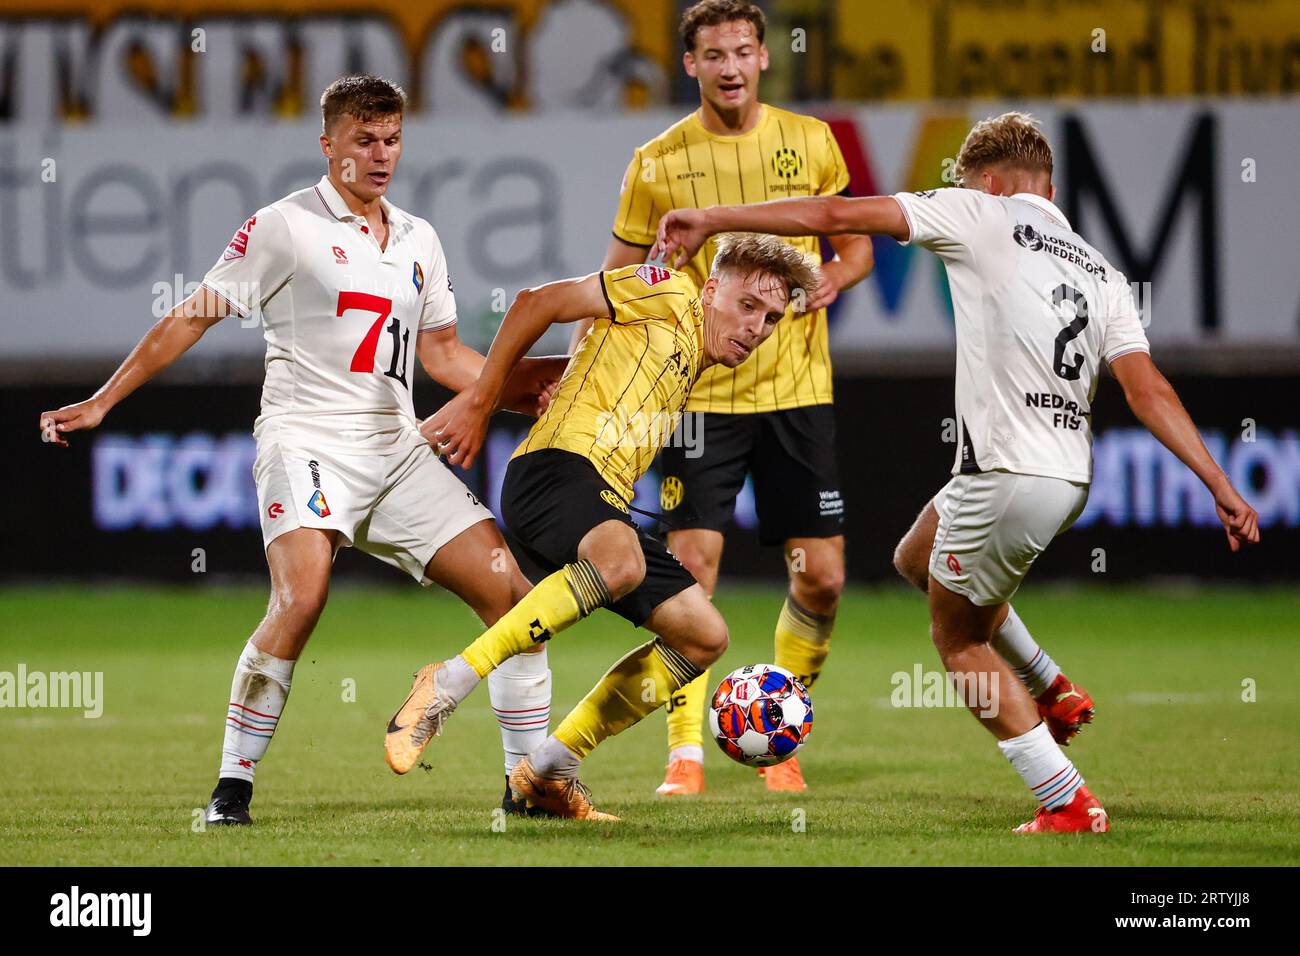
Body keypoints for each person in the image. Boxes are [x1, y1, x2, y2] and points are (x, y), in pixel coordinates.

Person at [652, 111, 1260, 832]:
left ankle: (1065, 799)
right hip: (1066, 477)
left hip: (1005, 474)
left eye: (968, 186)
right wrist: (1220, 483)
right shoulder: (1101, 269)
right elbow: (1147, 389)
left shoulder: (981, 212)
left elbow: (835, 214)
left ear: (991, 183)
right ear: (1052, 186)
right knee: (917, 558)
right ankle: (1051, 685)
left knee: (957, 638)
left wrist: (714, 219)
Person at [38, 74, 566, 826]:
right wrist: (103, 399)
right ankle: (231, 789)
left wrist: (518, 386)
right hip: (305, 439)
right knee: (303, 596)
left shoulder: (419, 237)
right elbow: (192, 317)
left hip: (397, 446)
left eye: (391, 140)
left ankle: (526, 787)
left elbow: (444, 356)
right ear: (329, 146)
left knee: (515, 600)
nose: (380, 155)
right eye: (364, 141)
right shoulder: (284, 226)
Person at [384, 234, 820, 820]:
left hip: (600, 501)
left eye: (770, 319)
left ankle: (545, 773)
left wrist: (554, 379)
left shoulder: (689, 356)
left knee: (703, 636)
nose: (756, 329)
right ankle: (446, 683)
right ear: (711, 289)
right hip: (554, 471)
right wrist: (482, 400)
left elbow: (586, 364)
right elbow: (536, 302)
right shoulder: (666, 290)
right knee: (622, 564)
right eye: (748, 306)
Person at [570, 0, 873, 796]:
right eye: (715, 53)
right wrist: (579, 371)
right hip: (697, 395)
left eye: (744, 50)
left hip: (798, 393)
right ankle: (684, 753)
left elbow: (856, 243)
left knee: (823, 577)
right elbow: (618, 279)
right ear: (691, 65)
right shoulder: (657, 161)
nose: (731, 65)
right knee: (693, 572)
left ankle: (782, 727)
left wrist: (835, 278)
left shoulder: (811, 139)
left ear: (765, 59)